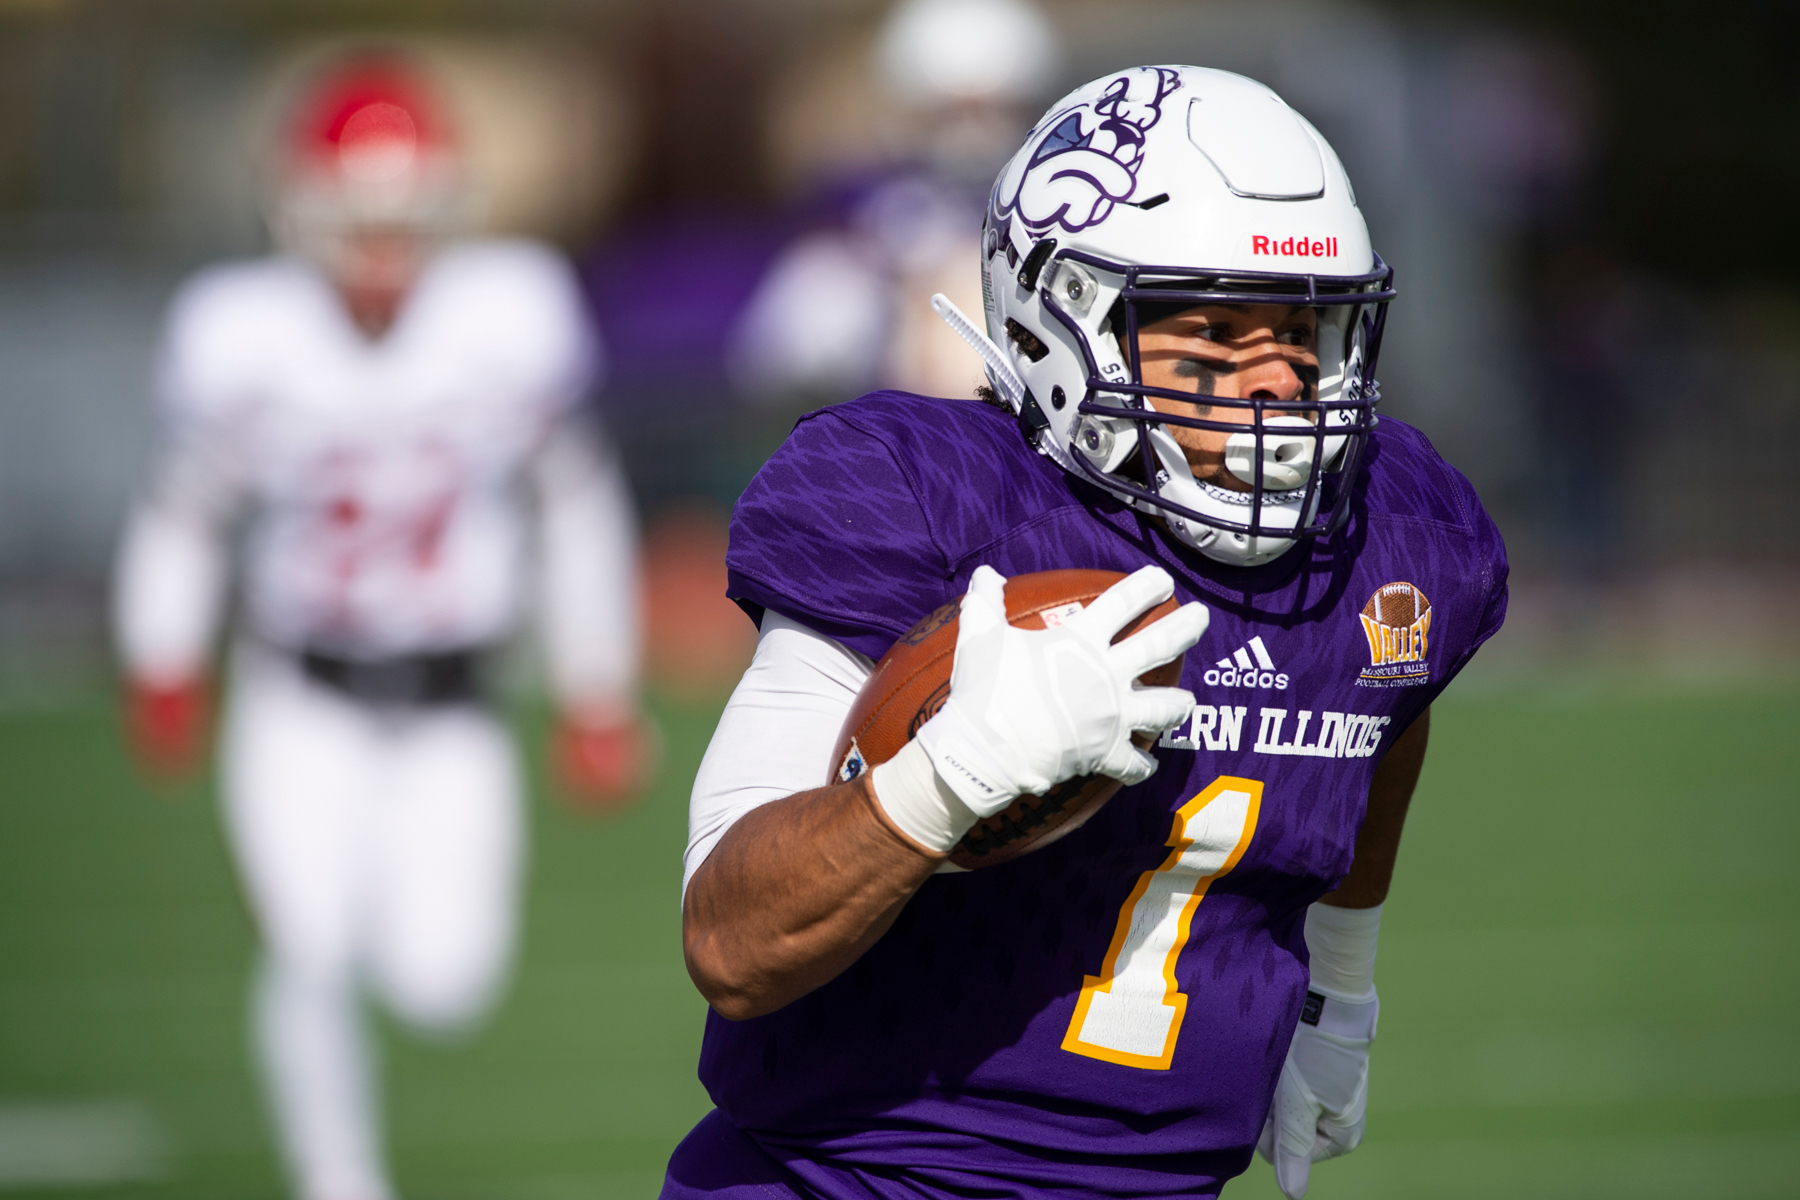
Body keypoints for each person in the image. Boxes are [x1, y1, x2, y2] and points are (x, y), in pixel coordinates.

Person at [666, 65, 1507, 1200]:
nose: (1279, 387)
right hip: (845, 1179)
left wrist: (1338, 996)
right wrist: (954, 772)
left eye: (1305, 332)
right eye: (1214, 332)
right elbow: (731, 942)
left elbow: (1385, 704)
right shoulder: (933, 501)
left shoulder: (1390, 532)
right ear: (1062, 322)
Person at [112, 55, 649, 1200]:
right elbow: (184, 512)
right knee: (308, 946)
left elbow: (577, 504)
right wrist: (161, 655)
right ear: (301, 218)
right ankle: (337, 1178)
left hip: (457, 702)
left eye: (404, 222)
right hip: (299, 688)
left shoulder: (510, 316)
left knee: (445, 982)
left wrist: (596, 687)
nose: (380, 251)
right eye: (356, 223)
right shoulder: (242, 332)